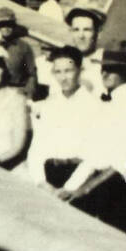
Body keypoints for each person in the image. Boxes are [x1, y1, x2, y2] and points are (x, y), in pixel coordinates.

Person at [64, 44, 126, 231]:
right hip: (101, 181)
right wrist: (70, 187)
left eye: (112, 69)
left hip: (123, 184)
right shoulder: (105, 103)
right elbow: (94, 155)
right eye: (104, 68)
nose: (105, 73)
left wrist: (87, 189)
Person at [25, 45, 100, 190]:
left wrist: (68, 189)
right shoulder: (49, 104)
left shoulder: (93, 106)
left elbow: (93, 156)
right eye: (58, 72)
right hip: (47, 177)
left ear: (80, 70)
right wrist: (41, 182)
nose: (63, 77)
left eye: (68, 71)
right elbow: (37, 148)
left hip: (77, 179)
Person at [0, 8, 38, 96]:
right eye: (2, 25)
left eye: (9, 25)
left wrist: (27, 95)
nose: (6, 28)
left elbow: (31, 74)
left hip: (16, 92)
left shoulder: (23, 47)